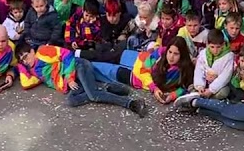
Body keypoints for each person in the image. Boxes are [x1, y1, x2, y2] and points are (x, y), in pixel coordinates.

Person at [17, 43, 148, 116]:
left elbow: (67, 54)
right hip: (72, 82)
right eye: (22, 60)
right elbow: (25, 83)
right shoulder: (32, 71)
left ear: (32, 51)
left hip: (79, 66)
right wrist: (19, 66)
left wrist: (69, 77)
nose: (26, 61)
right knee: (71, 100)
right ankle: (109, 88)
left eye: (26, 56)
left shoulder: (43, 51)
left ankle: (132, 103)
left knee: (93, 96)